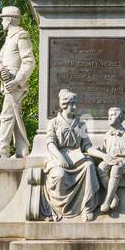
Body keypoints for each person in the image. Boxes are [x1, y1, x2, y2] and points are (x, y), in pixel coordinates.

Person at [42, 89, 100, 221]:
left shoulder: (81, 124)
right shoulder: (54, 122)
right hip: (57, 156)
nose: (75, 107)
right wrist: (60, 157)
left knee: (89, 166)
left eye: (75, 103)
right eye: (72, 104)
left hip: (77, 157)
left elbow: (87, 146)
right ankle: (58, 208)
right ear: (64, 105)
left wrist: (103, 156)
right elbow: (50, 143)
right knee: (60, 175)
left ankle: (87, 207)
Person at [0, 6, 35, 158]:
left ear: (9, 20)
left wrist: (17, 81)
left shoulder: (21, 35)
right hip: (7, 82)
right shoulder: (8, 38)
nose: (2, 22)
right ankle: (22, 150)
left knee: (6, 115)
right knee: (14, 115)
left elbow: (29, 61)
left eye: (3, 19)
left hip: (14, 83)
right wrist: (0, 70)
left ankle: (2, 149)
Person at [90, 106, 125, 213]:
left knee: (116, 169)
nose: (109, 117)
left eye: (112, 115)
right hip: (110, 159)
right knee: (101, 167)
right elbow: (104, 151)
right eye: (108, 115)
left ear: (120, 117)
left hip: (123, 160)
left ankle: (107, 201)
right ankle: (114, 197)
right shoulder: (107, 135)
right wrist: (97, 152)